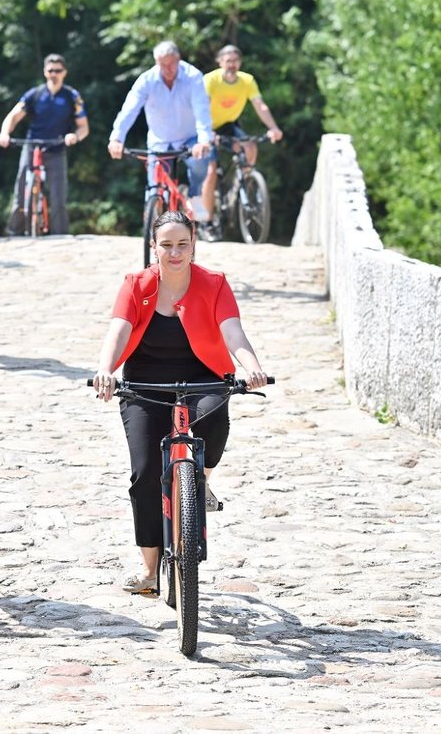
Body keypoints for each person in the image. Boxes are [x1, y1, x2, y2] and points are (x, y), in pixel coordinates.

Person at [91, 210, 268, 596]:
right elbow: (118, 329)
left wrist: (252, 367)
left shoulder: (214, 283)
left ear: (193, 246)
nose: (175, 253)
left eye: (182, 245)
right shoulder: (136, 284)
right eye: (166, 245)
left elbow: (232, 331)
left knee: (215, 419)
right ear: (153, 248)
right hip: (144, 381)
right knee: (145, 473)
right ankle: (150, 570)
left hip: (202, 374)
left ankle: (200, 482)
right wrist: (105, 370)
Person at [107, 40, 216, 223]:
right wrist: (117, 138)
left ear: (178, 59)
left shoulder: (193, 76)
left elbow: (202, 109)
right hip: (160, 139)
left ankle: (195, 194)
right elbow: (129, 110)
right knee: (154, 187)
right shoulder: (146, 80)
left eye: (171, 64)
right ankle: (154, 222)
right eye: (162, 65)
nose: (167, 69)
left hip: (190, 137)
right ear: (156, 62)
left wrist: (204, 140)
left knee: (201, 161)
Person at [0, 54, 89, 235]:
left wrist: (74, 137)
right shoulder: (35, 94)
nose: (54, 74)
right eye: (50, 70)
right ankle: (15, 232)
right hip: (32, 146)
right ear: (45, 72)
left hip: (57, 148)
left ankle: (60, 235)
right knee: (21, 190)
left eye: (58, 71)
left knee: (58, 197)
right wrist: (5, 133)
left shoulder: (72, 96)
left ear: (65, 73)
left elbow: (84, 127)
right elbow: (14, 116)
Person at [204, 43, 284, 167]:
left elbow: (260, 105)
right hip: (205, 126)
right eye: (228, 61)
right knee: (211, 169)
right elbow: (203, 106)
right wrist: (206, 131)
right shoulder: (211, 80)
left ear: (240, 62)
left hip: (226, 125)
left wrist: (273, 128)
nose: (232, 65)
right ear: (220, 62)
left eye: (235, 61)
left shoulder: (247, 81)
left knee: (250, 148)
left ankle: (244, 182)